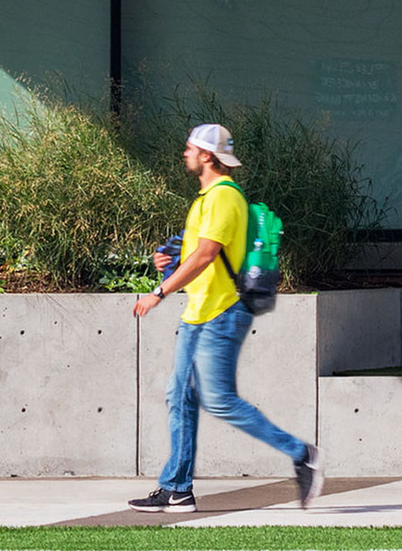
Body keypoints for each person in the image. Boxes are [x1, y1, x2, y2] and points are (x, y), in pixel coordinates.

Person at [129, 123, 322, 513]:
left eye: (189, 148)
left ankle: (302, 454)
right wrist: (168, 259)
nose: (184, 153)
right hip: (199, 312)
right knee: (179, 396)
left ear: (206, 156)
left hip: (221, 313)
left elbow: (206, 254)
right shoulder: (206, 197)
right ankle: (177, 489)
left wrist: (159, 293)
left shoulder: (224, 196)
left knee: (219, 400)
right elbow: (195, 252)